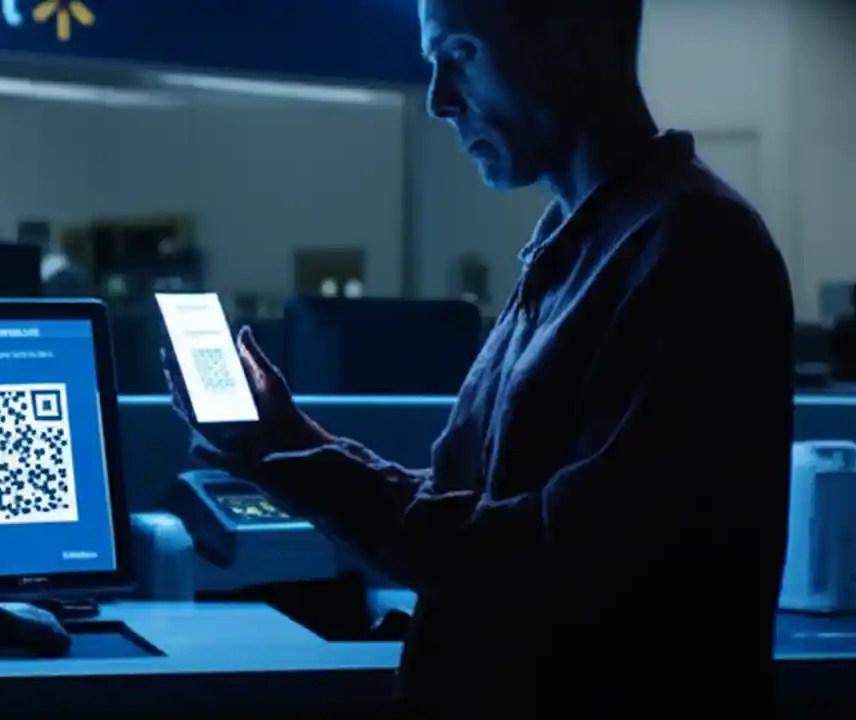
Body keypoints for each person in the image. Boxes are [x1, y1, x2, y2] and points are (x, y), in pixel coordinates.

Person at [162, 0, 795, 716]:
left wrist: (293, 468)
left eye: (459, 54)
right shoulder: (575, 241)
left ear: (577, 34)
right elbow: (473, 506)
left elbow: (550, 563)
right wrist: (290, 440)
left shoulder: (695, 249)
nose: (437, 99)